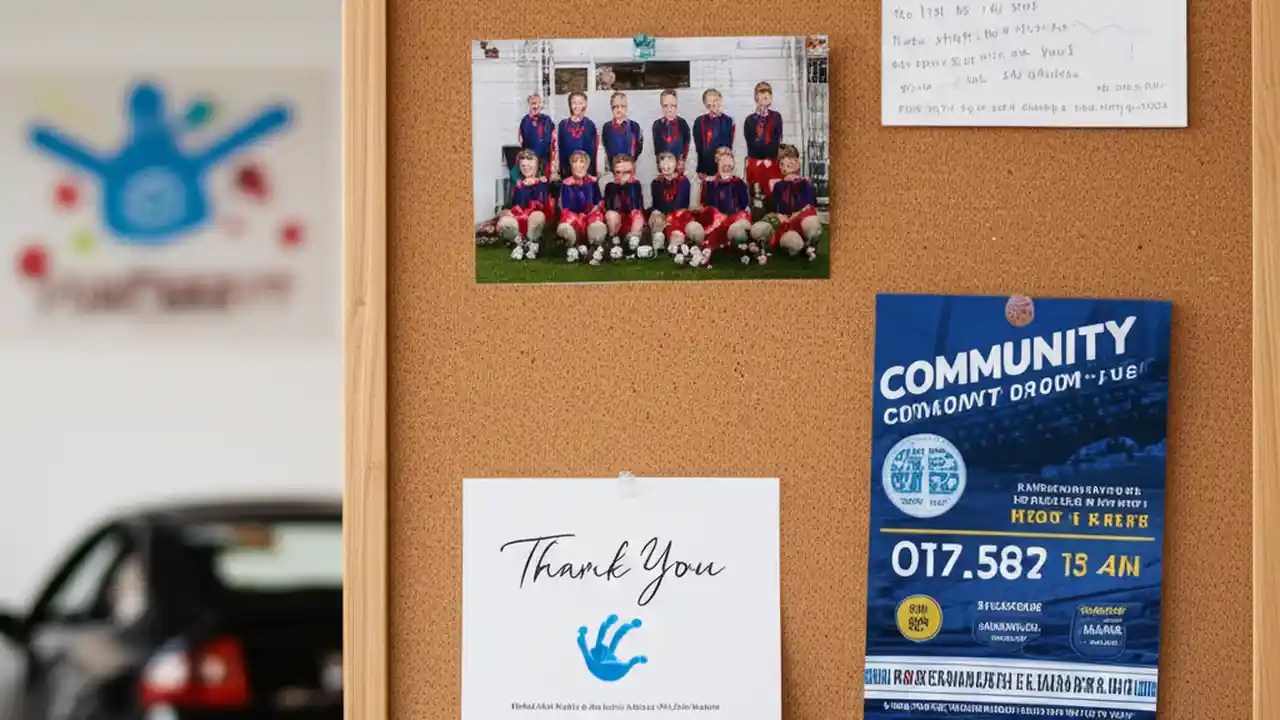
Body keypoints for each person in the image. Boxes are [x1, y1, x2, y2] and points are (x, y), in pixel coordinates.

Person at [753, 143, 822, 258]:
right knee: (793, 244)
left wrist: (794, 215)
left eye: (793, 159)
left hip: (801, 219)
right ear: (781, 166)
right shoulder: (778, 186)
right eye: (786, 160)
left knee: (812, 226)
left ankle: (809, 242)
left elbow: (809, 206)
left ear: (798, 162)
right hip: (786, 225)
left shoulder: (805, 184)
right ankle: (803, 247)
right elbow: (775, 209)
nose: (790, 162)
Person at [696, 147, 751, 257]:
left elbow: (744, 204)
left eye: (729, 162)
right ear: (717, 162)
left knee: (742, 219)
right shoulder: (709, 184)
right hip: (716, 220)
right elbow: (705, 205)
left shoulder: (739, 183)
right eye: (723, 161)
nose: (726, 166)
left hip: (734, 218)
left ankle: (735, 241)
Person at [497, 149, 554, 255]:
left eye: (529, 161)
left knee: (537, 217)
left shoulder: (543, 184)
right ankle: (519, 242)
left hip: (536, 215)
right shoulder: (518, 186)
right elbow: (511, 204)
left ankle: (532, 242)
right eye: (523, 163)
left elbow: (545, 203)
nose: (525, 165)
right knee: (505, 222)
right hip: (519, 216)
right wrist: (506, 211)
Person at [649, 151, 701, 253]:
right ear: (659, 165)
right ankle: (659, 241)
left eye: (670, 161)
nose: (666, 166)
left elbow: (681, 204)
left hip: (679, 214)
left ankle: (678, 244)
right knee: (656, 217)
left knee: (679, 225)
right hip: (663, 215)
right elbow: (658, 204)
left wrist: (670, 217)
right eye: (663, 162)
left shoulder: (683, 181)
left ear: (675, 164)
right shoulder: (656, 183)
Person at [743, 81, 784, 207]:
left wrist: (769, 157)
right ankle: (756, 213)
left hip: (771, 160)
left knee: (772, 191)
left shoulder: (776, 116)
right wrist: (760, 159)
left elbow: (776, 138)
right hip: (756, 160)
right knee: (756, 192)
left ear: (771, 98)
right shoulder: (750, 119)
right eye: (761, 95)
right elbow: (750, 142)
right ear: (756, 98)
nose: (764, 98)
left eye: (767, 95)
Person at [556, 149, 607, 250]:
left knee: (597, 223)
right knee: (566, 224)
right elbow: (566, 206)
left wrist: (594, 210)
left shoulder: (593, 181)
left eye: (582, 161)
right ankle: (572, 245)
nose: (578, 165)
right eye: (575, 162)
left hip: (591, 215)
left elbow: (598, 201)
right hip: (574, 217)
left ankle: (595, 244)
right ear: (571, 166)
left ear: (587, 165)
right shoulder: (567, 183)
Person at [603, 153, 646, 251]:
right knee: (611, 214)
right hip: (618, 223)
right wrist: (619, 185)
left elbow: (634, 205)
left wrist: (628, 185)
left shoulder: (635, 185)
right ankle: (613, 240)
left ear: (632, 172)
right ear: (613, 172)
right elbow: (612, 207)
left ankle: (633, 242)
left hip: (632, 222)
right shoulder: (610, 186)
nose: (622, 175)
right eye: (618, 172)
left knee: (637, 214)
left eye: (626, 172)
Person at [692, 88, 735, 180]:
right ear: (705, 104)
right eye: (709, 102)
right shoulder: (700, 121)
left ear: (720, 100)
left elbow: (729, 146)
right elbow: (699, 148)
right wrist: (701, 168)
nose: (713, 104)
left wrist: (728, 167)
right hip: (706, 166)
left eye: (715, 100)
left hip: (723, 166)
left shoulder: (728, 121)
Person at [555, 91, 600, 179]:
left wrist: (592, 173)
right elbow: (561, 149)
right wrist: (561, 170)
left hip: (585, 169)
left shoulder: (590, 125)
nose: (577, 106)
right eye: (574, 103)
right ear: (570, 105)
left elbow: (593, 151)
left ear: (585, 104)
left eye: (580, 103)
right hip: (568, 168)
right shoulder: (563, 125)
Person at [601, 92, 644, 176]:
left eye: (622, 106)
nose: (619, 109)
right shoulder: (607, 127)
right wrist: (613, 165)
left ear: (627, 107)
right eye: (615, 107)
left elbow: (639, 147)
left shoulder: (634, 126)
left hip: (630, 169)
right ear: (611, 108)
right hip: (614, 169)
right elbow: (606, 147)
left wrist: (631, 161)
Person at [651, 89, 691, 174]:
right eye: (666, 106)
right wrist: (660, 164)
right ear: (661, 107)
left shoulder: (682, 123)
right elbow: (657, 147)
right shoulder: (657, 124)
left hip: (678, 164)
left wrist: (683, 160)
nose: (669, 109)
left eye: (672, 106)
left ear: (676, 106)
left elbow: (686, 143)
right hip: (664, 165)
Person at [517, 93, 556, 179]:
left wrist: (553, 161)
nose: (535, 106)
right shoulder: (525, 121)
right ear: (529, 104)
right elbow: (521, 141)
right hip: (530, 161)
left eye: (538, 103)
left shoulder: (547, 120)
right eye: (533, 103)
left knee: (544, 185)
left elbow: (554, 141)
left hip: (545, 160)